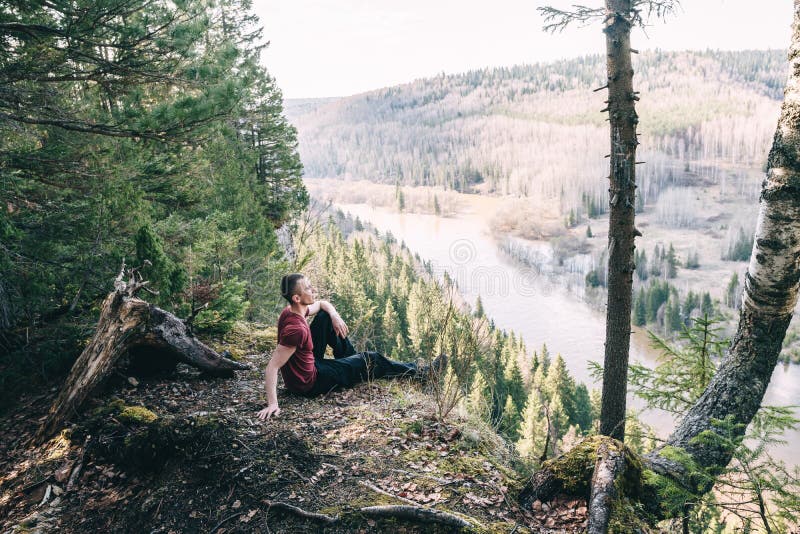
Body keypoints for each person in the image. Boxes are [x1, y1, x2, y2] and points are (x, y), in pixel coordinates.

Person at [257, 273, 445, 420]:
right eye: (308, 288)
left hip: (309, 363)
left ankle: (353, 361)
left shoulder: (293, 310)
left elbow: (323, 304)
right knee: (373, 359)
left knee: (324, 317)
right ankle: (421, 374)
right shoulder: (296, 330)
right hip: (311, 381)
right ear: (297, 298)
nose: (313, 289)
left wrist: (334, 315)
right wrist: (272, 403)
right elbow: (272, 366)